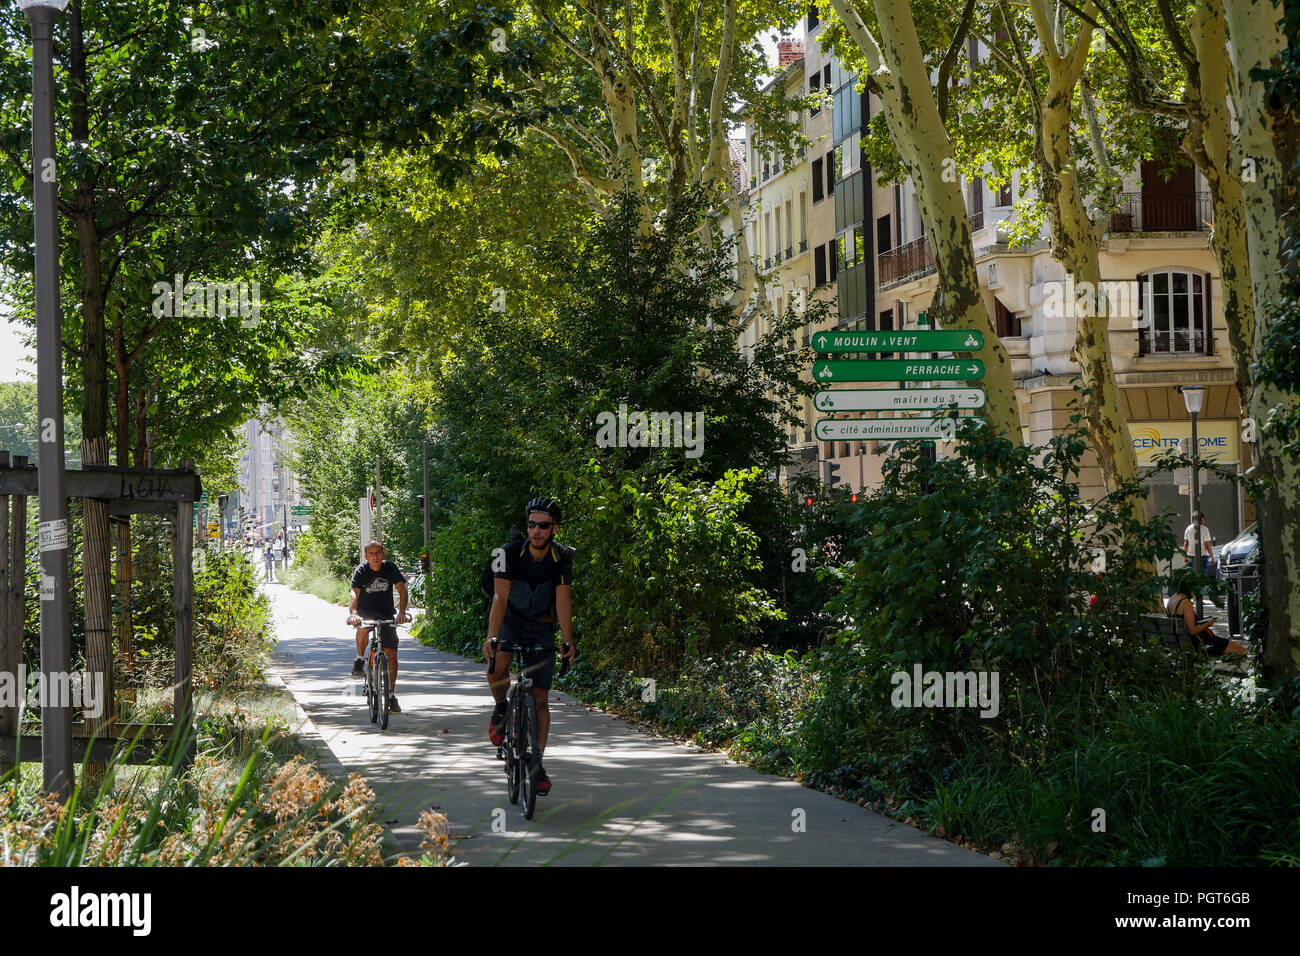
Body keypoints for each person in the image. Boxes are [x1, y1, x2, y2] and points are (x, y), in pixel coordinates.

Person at [482, 496, 575, 796]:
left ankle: (537, 762)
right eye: (532, 524)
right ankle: (501, 707)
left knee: (541, 698)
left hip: (541, 625)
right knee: (498, 665)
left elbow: (563, 599)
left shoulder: (562, 557)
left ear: (554, 529)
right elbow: (499, 597)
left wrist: (567, 640)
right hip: (510, 619)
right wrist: (492, 636)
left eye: (543, 526)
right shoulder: (507, 552)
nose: (536, 530)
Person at [347, 540, 410, 713]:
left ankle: (391, 695)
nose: (375, 556)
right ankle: (360, 659)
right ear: (366, 556)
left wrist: (402, 612)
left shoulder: (390, 568)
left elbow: (402, 589)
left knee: (392, 655)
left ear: (383, 554)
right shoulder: (361, 570)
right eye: (372, 553)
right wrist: (353, 613)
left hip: (386, 613)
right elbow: (354, 593)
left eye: (378, 552)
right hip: (365, 612)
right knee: (362, 628)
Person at [1166, 568, 1246, 657]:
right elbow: (1192, 630)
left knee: (1234, 647)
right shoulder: (1185, 602)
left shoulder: (1172, 598)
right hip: (1198, 643)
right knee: (1240, 650)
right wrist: (1207, 624)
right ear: (1190, 589)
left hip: (1181, 640)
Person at [1182, 511, 1215, 577]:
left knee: (1192, 576)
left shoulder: (1188, 528)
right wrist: (1212, 557)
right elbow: (1207, 545)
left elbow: (1186, 544)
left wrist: (1185, 557)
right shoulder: (1204, 529)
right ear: (1202, 518)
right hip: (1202, 556)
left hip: (1190, 556)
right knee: (1202, 576)